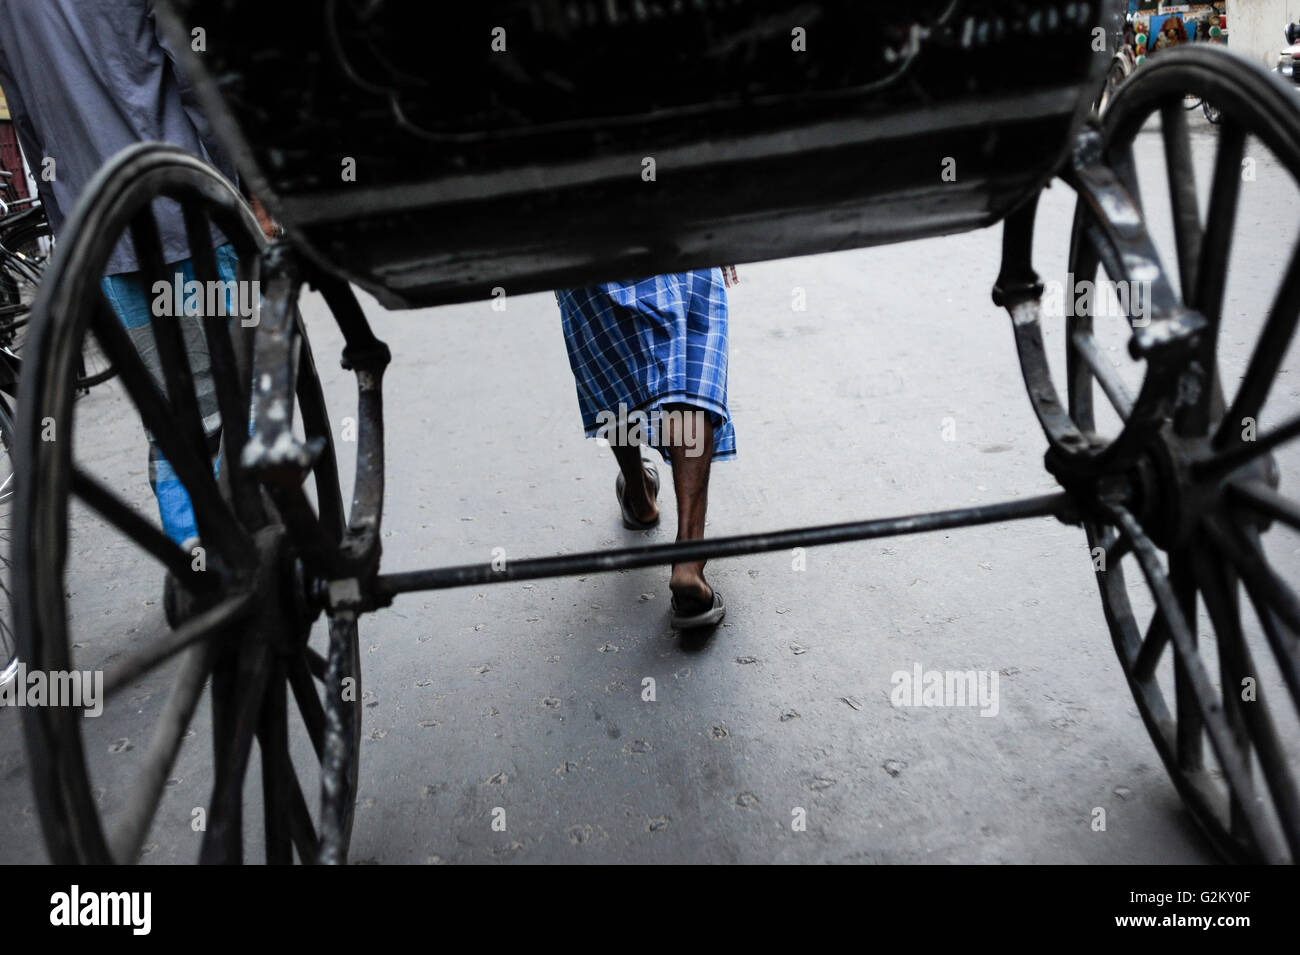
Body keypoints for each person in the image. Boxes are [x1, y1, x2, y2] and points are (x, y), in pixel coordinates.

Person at [0, 0, 253, 545]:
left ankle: (195, 556)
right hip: (188, 216)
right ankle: (249, 539)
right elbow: (194, 72)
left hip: (101, 230)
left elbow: (26, 120)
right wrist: (239, 185)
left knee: (165, 414)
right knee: (232, 391)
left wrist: (71, 230)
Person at [556, 270, 735, 631]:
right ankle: (687, 562)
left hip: (582, 240)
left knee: (609, 357)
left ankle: (639, 496)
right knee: (686, 368)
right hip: (676, 228)